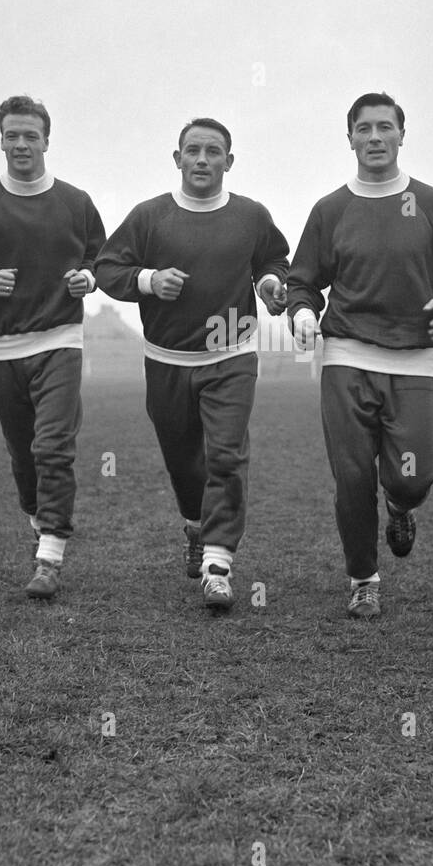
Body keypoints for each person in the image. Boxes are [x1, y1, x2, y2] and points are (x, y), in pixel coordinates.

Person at [286, 93, 433, 619]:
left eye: (385, 127)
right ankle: (363, 579)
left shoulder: (432, 203)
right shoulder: (330, 210)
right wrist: (303, 316)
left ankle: (400, 507)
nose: (375, 137)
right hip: (345, 356)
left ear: (401, 134)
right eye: (364, 128)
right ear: (348, 137)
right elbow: (302, 281)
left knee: (415, 477)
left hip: (412, 361)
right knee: (351, 478)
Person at [94, 118, 289, 611]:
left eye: (214, 151)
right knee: (184, 461)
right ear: (177, 158)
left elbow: (275, 261)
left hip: (231, 354)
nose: (203, 159)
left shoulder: (251, 216)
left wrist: (269, 285)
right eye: (194, 151)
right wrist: (147, 280)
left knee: (225, 457)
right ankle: (195, 524)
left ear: (229, 160)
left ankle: (218, 567)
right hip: (167, 359)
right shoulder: (149, 217)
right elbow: (106, 269)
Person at [0, 95, 106, 601]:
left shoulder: (75, 203)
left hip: (59, 340)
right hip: (2, 348)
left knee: (53, 447)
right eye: (12, 135)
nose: (21, 144)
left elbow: (105, 258)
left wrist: (88, 279)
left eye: (31, 135)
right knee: (23, 455)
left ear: (47, 141)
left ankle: (50, 555)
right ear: (1, 141)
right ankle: (39, 520)